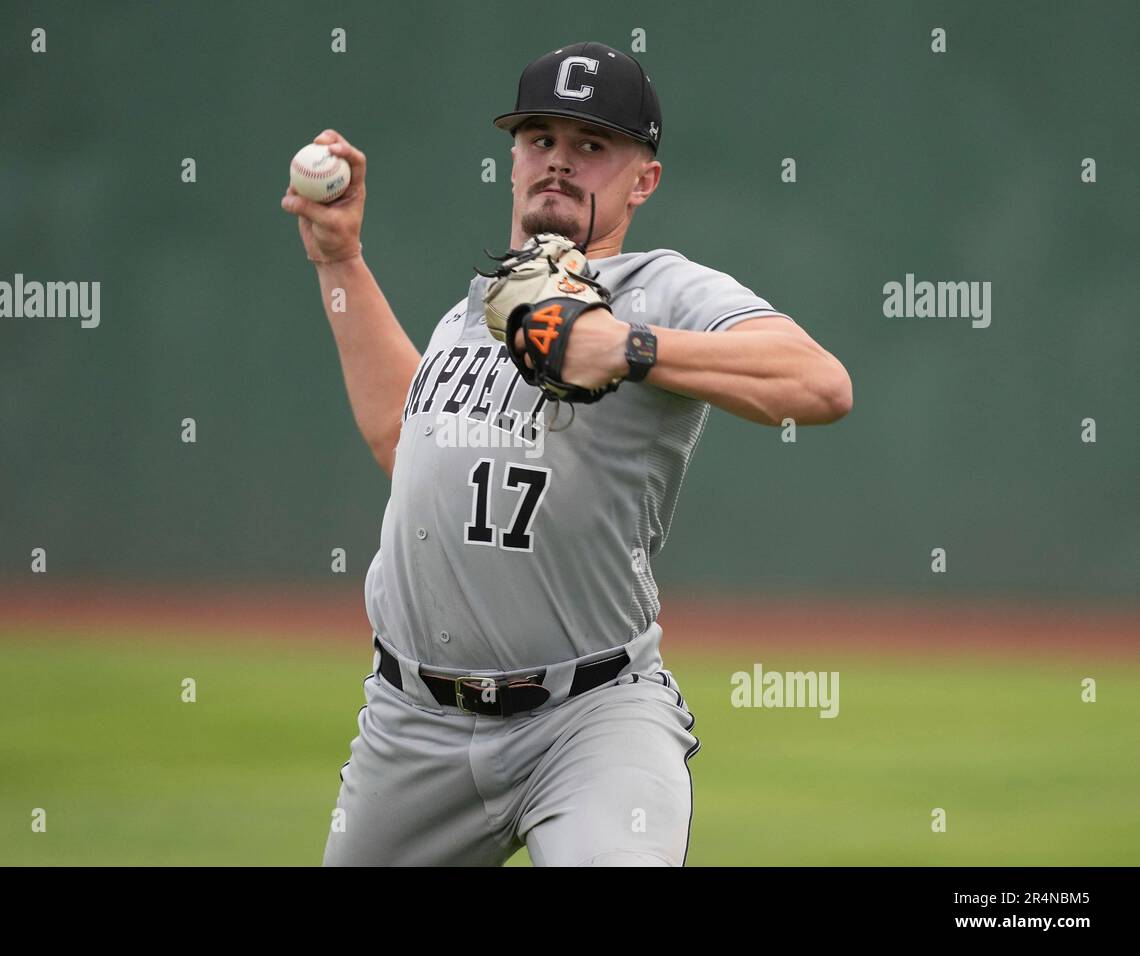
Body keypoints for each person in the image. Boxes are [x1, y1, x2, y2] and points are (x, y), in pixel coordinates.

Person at [281, 41, 852, 866]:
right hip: (410, 729)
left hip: (590, 720)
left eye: (592, 146)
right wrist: (339, 259)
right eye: (540, 138)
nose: (559, 161)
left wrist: (628, 347)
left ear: (643, 180)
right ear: (513, 161)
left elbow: (819, 384)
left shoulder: (659, 288)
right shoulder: (479, 309)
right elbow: (402, 445)